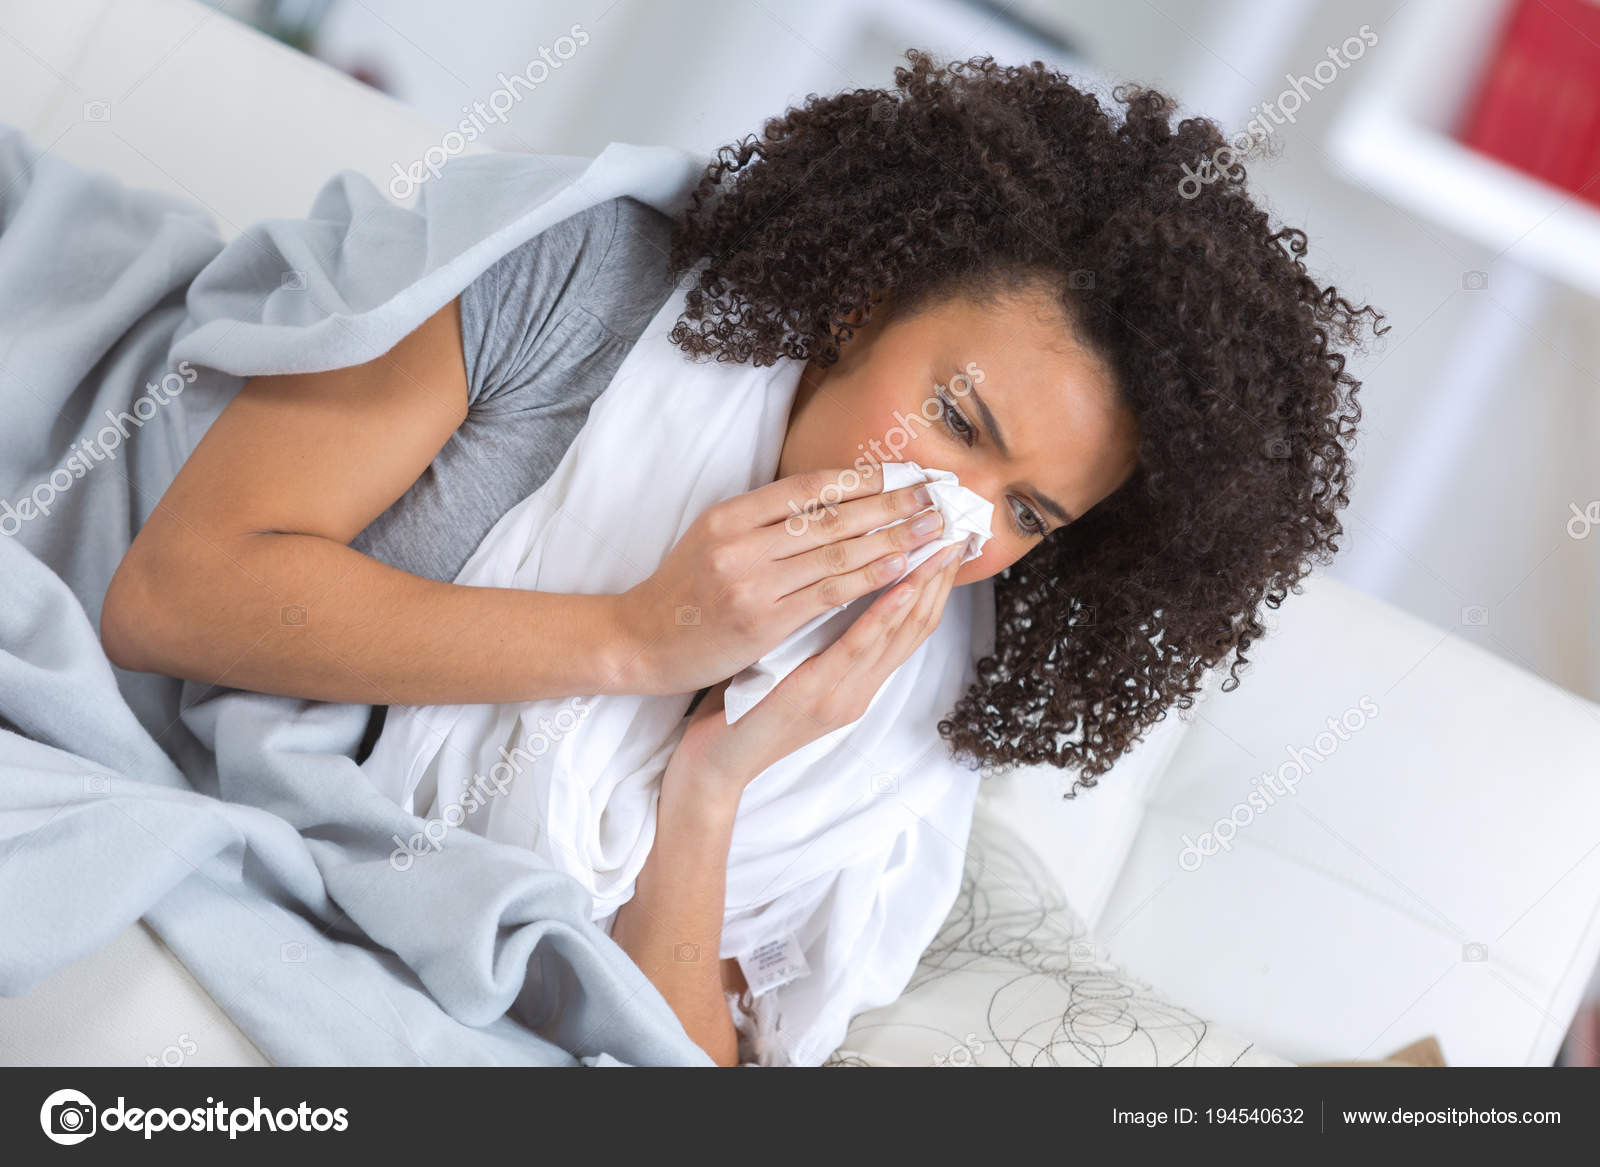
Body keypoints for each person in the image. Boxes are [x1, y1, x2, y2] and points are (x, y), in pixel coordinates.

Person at [100, 52, 1383, 1064]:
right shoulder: (589, 286)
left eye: (1028, 515)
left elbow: (691, 1069)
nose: (958, 515)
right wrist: (635, 639)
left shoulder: (915, 688)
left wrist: (711, 785)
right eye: (955, 420)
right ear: (860, 307)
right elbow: (168, 595)